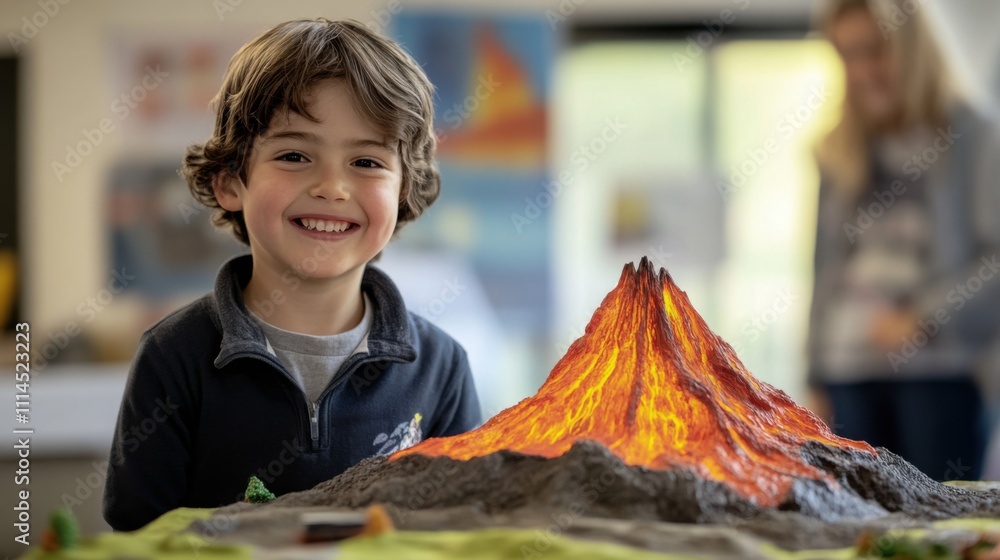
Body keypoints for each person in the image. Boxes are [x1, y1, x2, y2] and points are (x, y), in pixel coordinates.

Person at [103, 19, 482, 531]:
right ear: (231, 182)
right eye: (295, 155)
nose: (332, 186)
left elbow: (462, 530)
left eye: (367, 161)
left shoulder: (442, 368)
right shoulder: (173, 357)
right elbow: (139, 535)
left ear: (403, 191)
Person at [807, 0, 1000, 482]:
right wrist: (813, 374)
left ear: (912, 47)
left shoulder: (975, 136)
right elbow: (822, 271)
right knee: (853, 533)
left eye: (875, 51)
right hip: (846, 374)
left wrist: (925, 317)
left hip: (939, 377)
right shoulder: (837, 147)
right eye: (847, 55)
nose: (862, 71)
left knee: (937, 532)